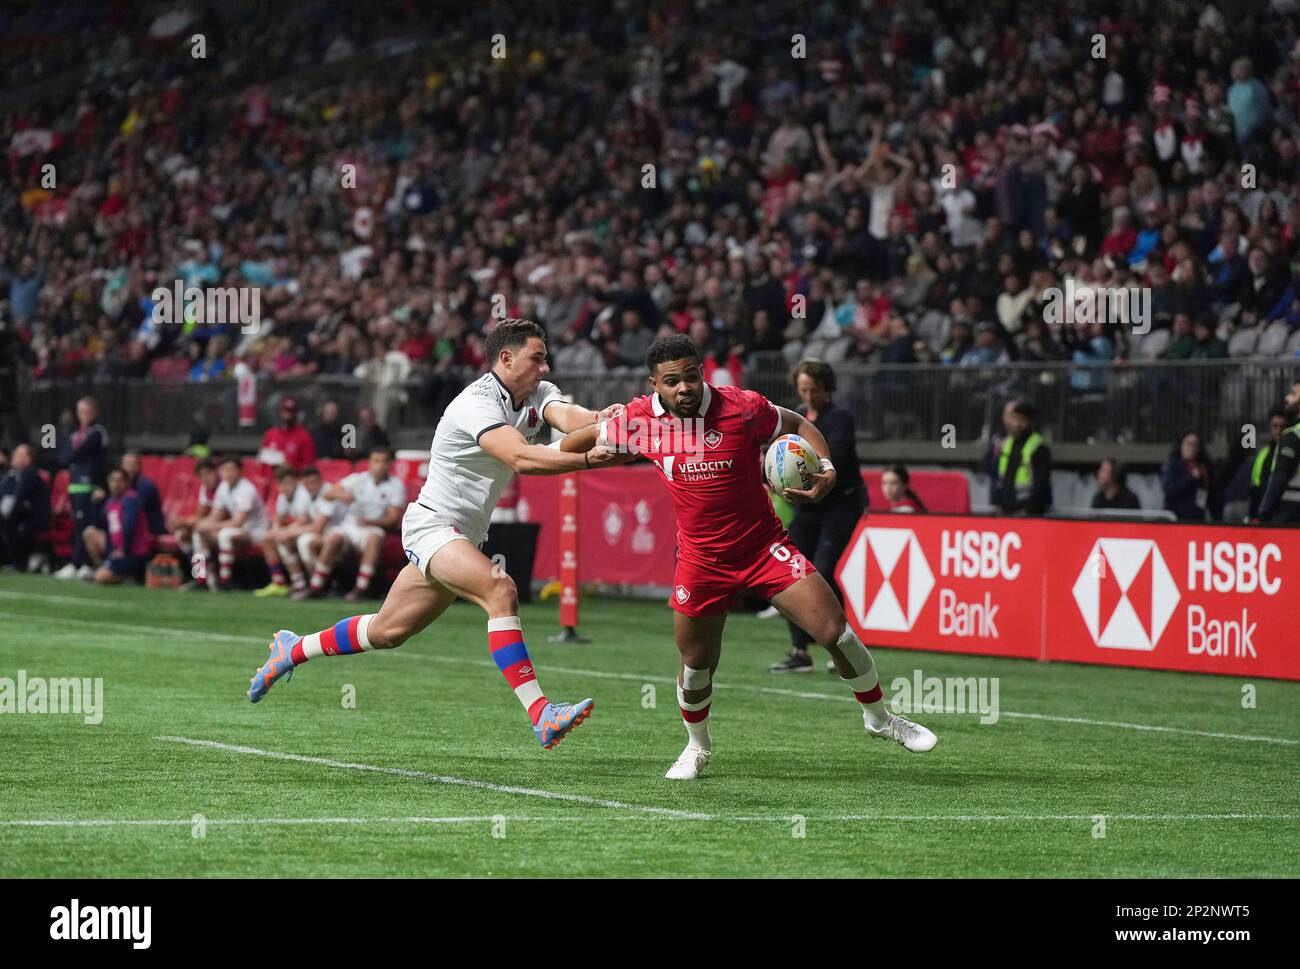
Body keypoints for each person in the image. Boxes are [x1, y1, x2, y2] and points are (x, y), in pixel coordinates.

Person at [558, 334, 936, 780]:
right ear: (654, 385)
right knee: (697, 664)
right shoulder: (639, 420)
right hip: (701, 560)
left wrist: (828, 470)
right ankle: (697, 746)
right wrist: (597, 448)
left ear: (702, 372)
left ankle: (880, 719)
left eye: (691, 376)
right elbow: (570, 445)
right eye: (672, 381)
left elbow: (798, 424)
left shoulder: (741, 406)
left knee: (835, 631)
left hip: (763, 547)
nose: (684, 388)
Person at [246, 319, 627, 752]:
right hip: (432, 526)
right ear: (506, 358)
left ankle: (293, 649)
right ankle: (541, 713)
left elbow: (566, 418)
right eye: (537, 358)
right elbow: (523, 458)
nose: (545, 367)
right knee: (500, 589)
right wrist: (591, 457)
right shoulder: (476, 404)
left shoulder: (536, 393)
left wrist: (603, 421)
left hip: (463, 535)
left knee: (388, 632)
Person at [768, 359, 868, 674]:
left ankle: (843, 645)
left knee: (822, 570)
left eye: (814, 390)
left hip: (841, 506)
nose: (808, 396)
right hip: (807, 508)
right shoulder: (794, 415)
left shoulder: (840, 418)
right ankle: (800, 651)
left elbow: (831, 456)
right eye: (803, 390)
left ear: (827, 388)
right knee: (790, 572)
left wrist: (795, 472)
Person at [293, 447, 406, 603]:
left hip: (372, 528)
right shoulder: (356, 479)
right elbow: (328, 494)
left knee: (375, 537)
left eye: (384, 461)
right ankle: (316, 587)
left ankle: (360, 589)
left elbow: (393, 519)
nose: (379, 465)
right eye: (375, 461)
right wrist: (342, 494)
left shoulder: (396, 485)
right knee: (333, 537)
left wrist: (370, 521)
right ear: (369, 463)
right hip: (349, 526)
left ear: (391, 464)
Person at [194, 455, 270, 589]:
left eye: (231, 469)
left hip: (256, 533)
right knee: (198, 533)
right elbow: (215, 515)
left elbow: (237, 522)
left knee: (225, 534)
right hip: (239, 531)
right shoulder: (223, 486)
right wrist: (203, 525)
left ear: (240, 471)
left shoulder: (246, 489)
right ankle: (201, 578)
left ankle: (225, 581)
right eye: (224, 470)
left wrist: (213, 526)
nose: (227, 473)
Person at [53, 396, 107, 580]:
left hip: (88, 485)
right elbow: (63, 458)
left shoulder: (97, 432)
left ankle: (82, 563)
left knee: (85, 525)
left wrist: (70, 453)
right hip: (74, 486)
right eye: (80, 411)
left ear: (94, 413)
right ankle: (75, 562)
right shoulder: (74, 434)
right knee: (76, 525)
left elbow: (75, 454)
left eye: (87, 411)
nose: (83, 415)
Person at [254, 464, 316, 597]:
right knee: (267, 538)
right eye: (282, 483)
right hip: (301, 529)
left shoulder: (302, 494)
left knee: (284, 538)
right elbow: (278, 518)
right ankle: (279, 582)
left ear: (295, 481)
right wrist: (276, 529)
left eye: (289, 482)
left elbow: (304, 520)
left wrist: (284, 531)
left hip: (314, 528)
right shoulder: (283, 496)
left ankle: (304, 584)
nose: (286, 486)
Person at [89, 467, 152, 585]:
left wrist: (124, 549)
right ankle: (105, 568)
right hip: (115, 549)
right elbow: (100, 523)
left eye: (120, 481)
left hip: (133, 552)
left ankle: (126, 577)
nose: (116, 484)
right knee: (90, 533)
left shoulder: (130, 500)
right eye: (113, 480)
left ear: (127, 483)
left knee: (100, 578)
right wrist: (96, 504)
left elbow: (129, 526)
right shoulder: (110, 502)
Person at [990, 399, 1053, 515]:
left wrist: (1028, 509)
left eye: (1022, 420)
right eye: (1015, 419)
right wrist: (997, 502)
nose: (1017, 424)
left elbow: (1040, 486)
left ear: (1030, 422)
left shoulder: (1038, 448)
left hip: (1028, 514)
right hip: (1005, 511)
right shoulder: (1006, 444)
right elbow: (997, 478)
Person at [0, 443, 50, 571]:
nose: (14, 457)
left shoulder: (30, 474)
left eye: (18, 455)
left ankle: (20, 563)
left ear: (27, 458)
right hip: (21, 516)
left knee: (10, 527)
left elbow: (18, 498)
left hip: (35, 520)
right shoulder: (12, 475)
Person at [1256, 381, 1300, 525]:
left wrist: (1264, 510)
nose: (1287, 398)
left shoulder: (1293, 435)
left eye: (1293, 394)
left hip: (1290, 509)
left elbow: (1281, 475)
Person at [1161, 431, 1212, 522]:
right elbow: (1168, 488)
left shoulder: (1202, 467)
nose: (1191, 448)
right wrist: (1191, 478)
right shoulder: (1173, 465)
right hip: (1177, 518)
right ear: (1181, 445)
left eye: (1195, 445)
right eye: (1188, 443)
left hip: (1197, 517)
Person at [1248, 408, 1288, 520]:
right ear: (1269, 427)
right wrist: (1253, 516)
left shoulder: (1290, 454)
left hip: (1282, 513)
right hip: (1262, 513)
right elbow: (1255, 488)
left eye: (1282, 426)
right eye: (1275, 426)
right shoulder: (1263, 454)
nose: (1278, 430)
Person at [258, 396, 317, 471]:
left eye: (290, 411)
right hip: (271, 480)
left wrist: (292, 467)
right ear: (280, 411)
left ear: (296, 414)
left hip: (293, 480)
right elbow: (263, 463)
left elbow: (310, 466)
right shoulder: (270, 434)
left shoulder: (304, 436)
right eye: (285, 410)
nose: (287, 414)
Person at [120, 449, 166, 536]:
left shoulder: (146, 486)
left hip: (150, 529)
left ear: (139, 466)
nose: (129, 467)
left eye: (133, 464)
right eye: (126, 464)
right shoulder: (122, 485)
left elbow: (133, 512)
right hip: (132, 528)